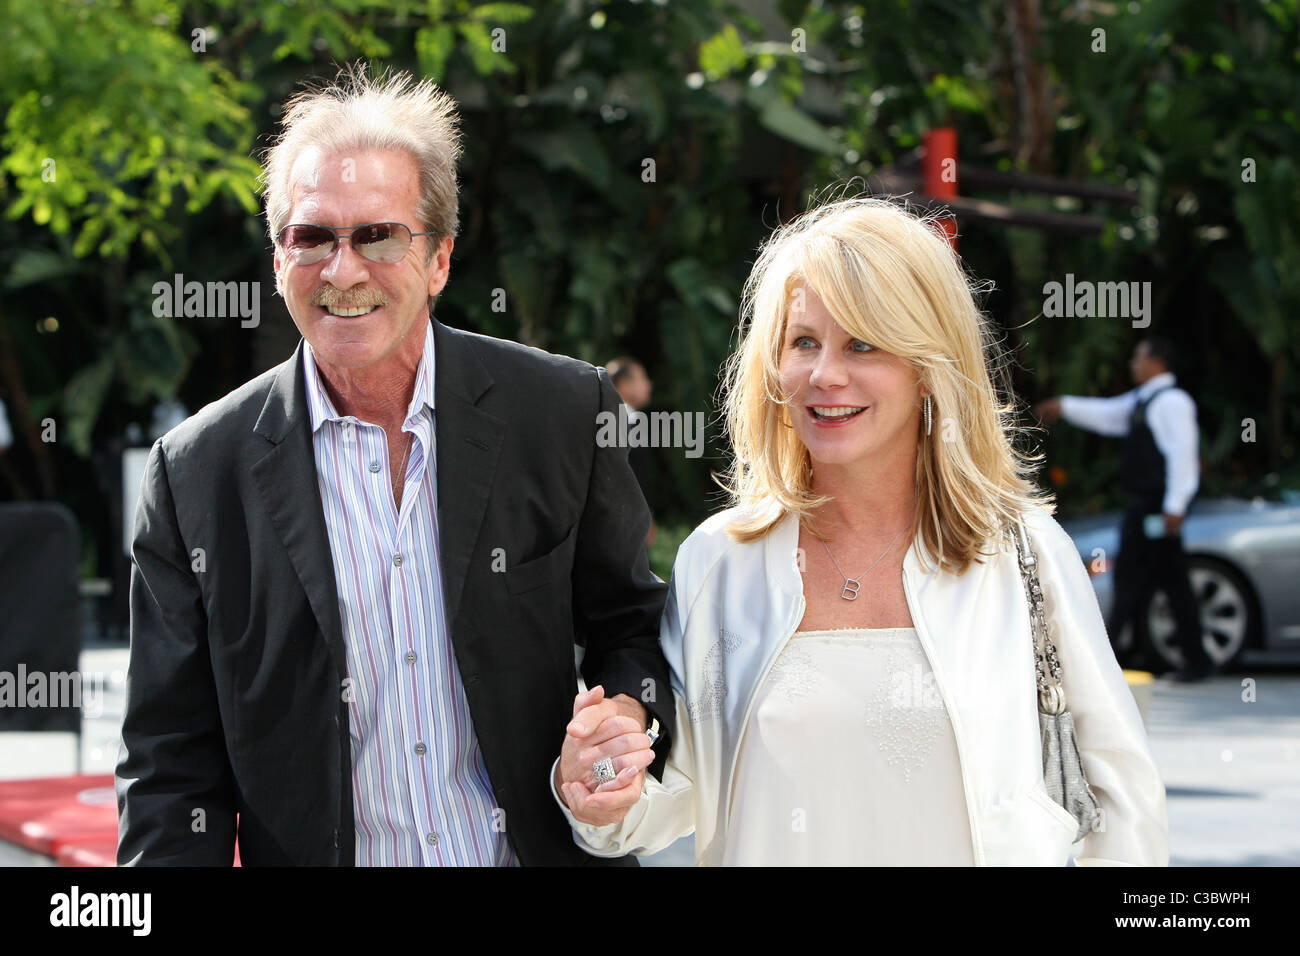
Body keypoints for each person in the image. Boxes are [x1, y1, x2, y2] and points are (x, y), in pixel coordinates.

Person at [115, 65, 674, 866]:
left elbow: (632, 623)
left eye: (377, 236)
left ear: (440, 259)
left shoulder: (560, 412)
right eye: (312, 237)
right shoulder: (197, 474)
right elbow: (169, 766)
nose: (343, 271)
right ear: (278, 261)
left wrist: (624, 714)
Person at [551, 197, 1169, 865]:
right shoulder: (720, 561)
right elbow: (673, 792)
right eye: (804, 342)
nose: (826, 375)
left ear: (929, 367)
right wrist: (599, 782)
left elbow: (1122, 802)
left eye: (864, 343)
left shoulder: (1024, 553)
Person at [1034, 338, 1209, 682]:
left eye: (1138, 357)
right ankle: (1176, 657)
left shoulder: (1172, 402)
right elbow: (1109, 415)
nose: (1133, 364)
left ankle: (1112, 659)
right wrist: (1065, 406)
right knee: (1163, 580)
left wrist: (1175, 505)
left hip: (1157, 509)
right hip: (1147, 508)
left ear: (1156, 362)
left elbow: (1182, 455)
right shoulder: (1143, 401)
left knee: (1134, 577)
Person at [607, 356, 656, 544]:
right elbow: (636, 474)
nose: (648, 385)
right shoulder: (631, 420)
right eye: (642, 378)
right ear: (624, 386)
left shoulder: (600, 419)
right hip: (630, 522)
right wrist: (645, 517)